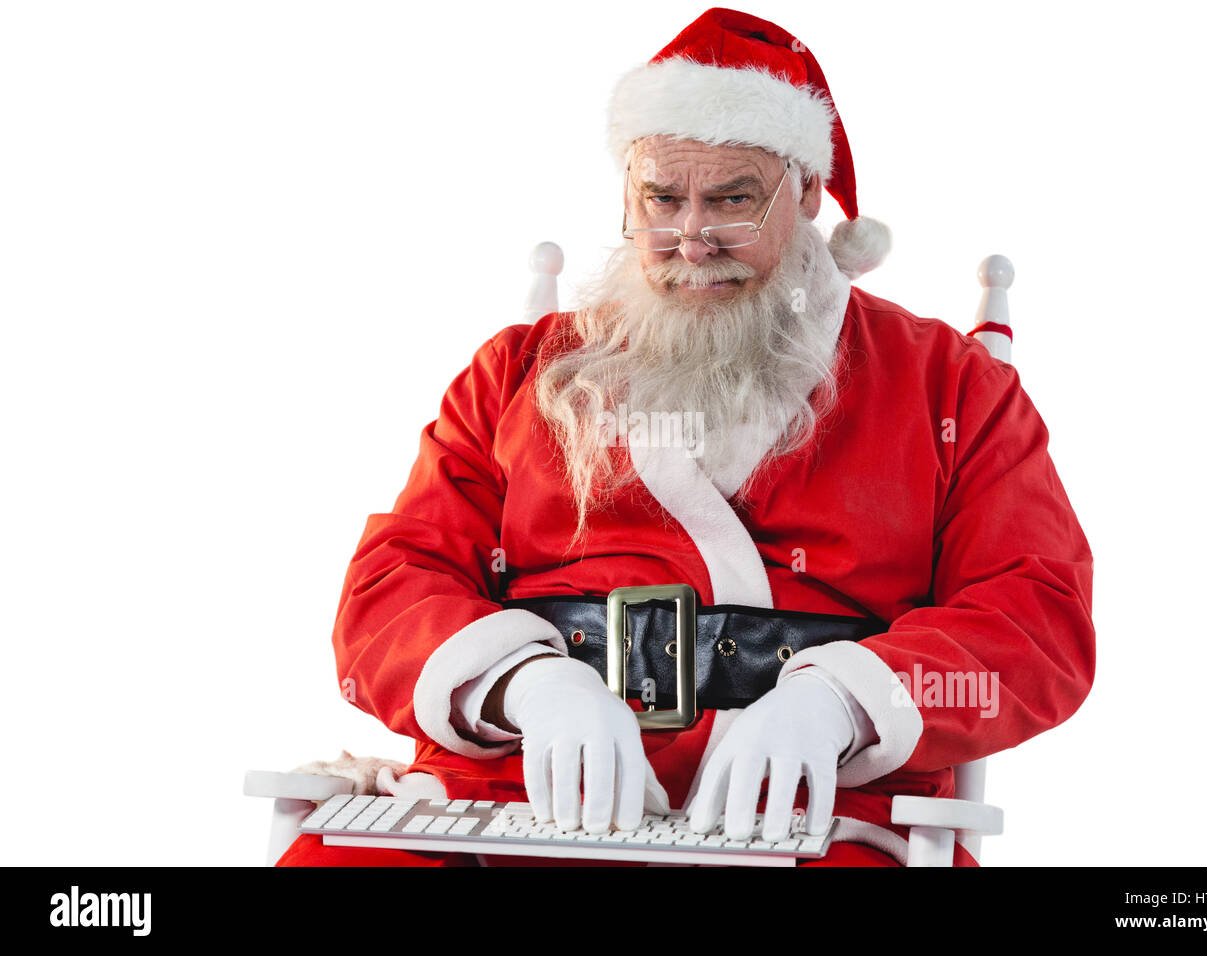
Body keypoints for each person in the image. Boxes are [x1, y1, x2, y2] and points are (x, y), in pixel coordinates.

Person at [278, 6, 1095, 868]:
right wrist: (529, 684)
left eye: (732, 200)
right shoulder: (520, 371)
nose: (692, 240)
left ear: (809, 194)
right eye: (661, 201)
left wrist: (840, 703)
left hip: (818, 814)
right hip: (518, 794)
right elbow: (387, 591)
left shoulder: (952, 386)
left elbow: (1038, 619)